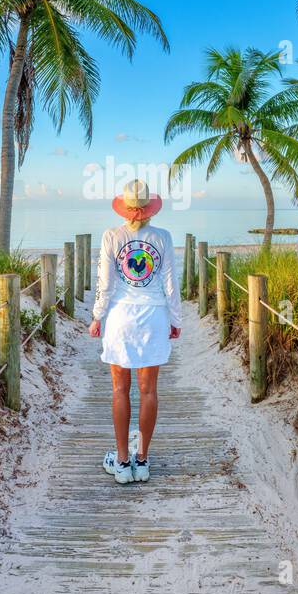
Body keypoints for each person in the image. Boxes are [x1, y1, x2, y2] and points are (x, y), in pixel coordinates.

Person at [88, 180, 181, 484]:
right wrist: (175, 319)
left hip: (120, 317)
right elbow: (170, 284)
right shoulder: (163, 237)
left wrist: (97, 316)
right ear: (149, 208)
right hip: (153, 316)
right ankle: (142, 460)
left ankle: (122, 462)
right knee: (149, 390)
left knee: (119, 389)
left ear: (126, 207)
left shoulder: (111, 236)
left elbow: (105, 284)